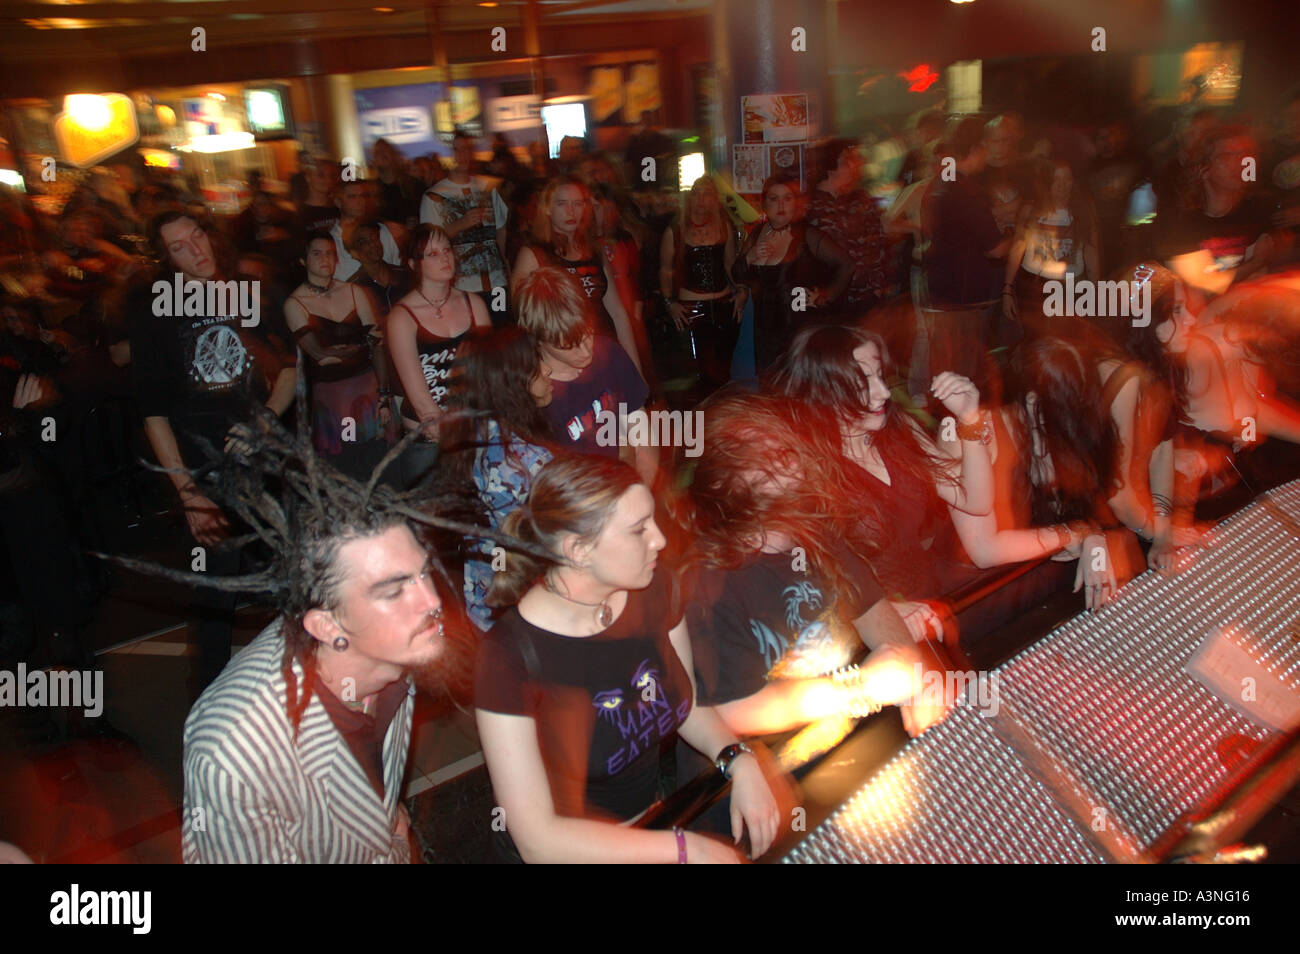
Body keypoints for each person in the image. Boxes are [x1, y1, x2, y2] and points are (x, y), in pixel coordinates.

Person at [143, 415, 459, 863]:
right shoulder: (236, 751)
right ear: (327, 627)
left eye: (424, 572)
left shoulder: (391, 648)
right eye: (393, 589)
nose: (430, 600)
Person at [474, 453, 781, 863]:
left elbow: (684, 703)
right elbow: (538, 841)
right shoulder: (508, 658)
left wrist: (737, 759)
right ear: (579, 549)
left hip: (649, 830)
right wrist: (688, 850)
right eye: (639, 530)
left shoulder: (655, 587)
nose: (660, 539)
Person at [680, 390, 945, 750]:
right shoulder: (708, 581)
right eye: (756, 452)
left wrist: (907, 667)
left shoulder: (817, 536)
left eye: (780, 440)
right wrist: (859, 688)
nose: (783, 455)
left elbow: (876, 614)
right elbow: (735, 707)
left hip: (844, 744)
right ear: (718, 483)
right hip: (762, 774)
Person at [129, 211, 296, 696]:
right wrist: (188, 492)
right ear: (167, 259)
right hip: (204, 469)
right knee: (213, 598)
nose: (195, 249)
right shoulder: (156, 314)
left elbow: (288, 368)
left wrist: (265, 417)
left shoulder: (251, 290)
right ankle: (209, 707)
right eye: (179, 246)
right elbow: (153, 412)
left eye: (197, 235)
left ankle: (299, 696)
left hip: (263, 461)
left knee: (288, 580)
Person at [438, 326, 555, 632]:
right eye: (535, 365)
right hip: (525, 618)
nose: (548, 369)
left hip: (485, 608)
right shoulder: (523, 461)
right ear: (509, 383)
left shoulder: (472, 434)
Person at [513, 267, 654, 482]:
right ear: (538, 340)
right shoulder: (533, 395)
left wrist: (644, 488)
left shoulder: (610, 353)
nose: (586, 351)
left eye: (587, 333)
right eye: (568, 346)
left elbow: (641, 436)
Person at [386, 225, 492, 488]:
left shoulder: (473, 304)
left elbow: (490, 372)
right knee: (432, 522)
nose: (445, 258)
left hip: (473, 428)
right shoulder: (402, 316)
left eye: (447, 250)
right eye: (433, 254)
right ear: (414, 264)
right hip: (429, 443)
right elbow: (422, 404)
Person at [284, 232, 394, 480]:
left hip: (368, 388)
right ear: (303, 261)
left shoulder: (355, 292)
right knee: (346, 468)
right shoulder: (295, 303)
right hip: (333, 399)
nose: (325, 259)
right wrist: (359, 346)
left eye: (330, 253)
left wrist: (384, 393)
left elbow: (376, 345)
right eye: (317, 253)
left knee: (381, 463)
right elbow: (322, 356)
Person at [511, 176, 645, 372]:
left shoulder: (594, 250)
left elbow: (617, 313)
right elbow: (524, 322)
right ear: (547, 208)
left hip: (605, 354)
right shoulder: (533, 254)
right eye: (562, 204)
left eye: (577, 203)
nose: (571, 211)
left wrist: (635, 368)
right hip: (564, 362)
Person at [921, 118, 1010, 394]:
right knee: (963, 370)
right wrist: (1019, 236)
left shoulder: (945, 184)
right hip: (965, 295)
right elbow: (995, 248)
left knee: (947, 366)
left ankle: (947, 423)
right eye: (987, 144)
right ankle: (961, 427)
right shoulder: (968, 191)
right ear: (977, 147)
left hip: (944, 289)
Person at [732, 175, 851, 374]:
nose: (781, 205)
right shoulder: (756, 234)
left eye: (787, 198)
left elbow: (846, 265)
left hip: (798, 330)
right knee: (769, 389)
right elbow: (737, 274)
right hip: (764, 333)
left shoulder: (808, 235)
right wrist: (749, 257)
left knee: (797, 389)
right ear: (764, 203)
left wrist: (825, 295)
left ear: (795, 203)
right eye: (774, 198)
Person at [1158, 125, 1276, 311]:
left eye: (1245, 155)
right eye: (1228, 156)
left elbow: (1259, 280)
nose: (1241, 163)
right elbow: (1202, 287)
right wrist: (1254, 264)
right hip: (1190, 323)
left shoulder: (1255, 211)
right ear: (1203, 169)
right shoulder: (1180, 222)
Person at [659, 177, 746, 395]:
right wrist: (670, 302)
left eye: (706, 194)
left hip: (724, 304)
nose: (700, 200)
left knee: (723, 367)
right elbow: (665, 270)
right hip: (692, 307)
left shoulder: (723, 226)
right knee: (700, 371)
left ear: (714, 199)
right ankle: (703, 421)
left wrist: (741, 290)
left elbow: (729, 265)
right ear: (689, 198)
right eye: (696, 193)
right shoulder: (676, 231)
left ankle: (719, 418)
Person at [1002, 158, 1101, 341]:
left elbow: (1091, 251)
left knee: (1067, 341)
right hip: (1035, 287)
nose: (1062, 185)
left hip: (1069, 288)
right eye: (1057, 180)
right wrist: (1007, 288)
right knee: (1034, 341)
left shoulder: (1082, 210)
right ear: (1047, 182)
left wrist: (1095, 291)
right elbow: (1018, 246)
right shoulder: (1031, 209)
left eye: (1067, 179)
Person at [419, 132, 510, 315]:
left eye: (467, 149)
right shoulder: (435, 196)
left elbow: (501, 231)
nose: (463, 155)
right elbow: (429, 244)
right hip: (462, 285)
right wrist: (461, 224)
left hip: (497, 282)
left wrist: (506, 268)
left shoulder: (489, 188)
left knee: (500, 333)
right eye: (457, 150)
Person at [807, 138, 890, 319]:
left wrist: (876, 288)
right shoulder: (809, 204)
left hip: (865, 298)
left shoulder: (861, 199)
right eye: (846, 161)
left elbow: (877, 243)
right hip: (829, 298)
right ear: (830, 166)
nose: (853, 166)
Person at [331, 179, 403, 282]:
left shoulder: (382, 230)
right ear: (338, 202)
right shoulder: (332, 240)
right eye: (352, 197)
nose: (360, 201)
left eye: (363, 196)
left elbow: (396, 265)